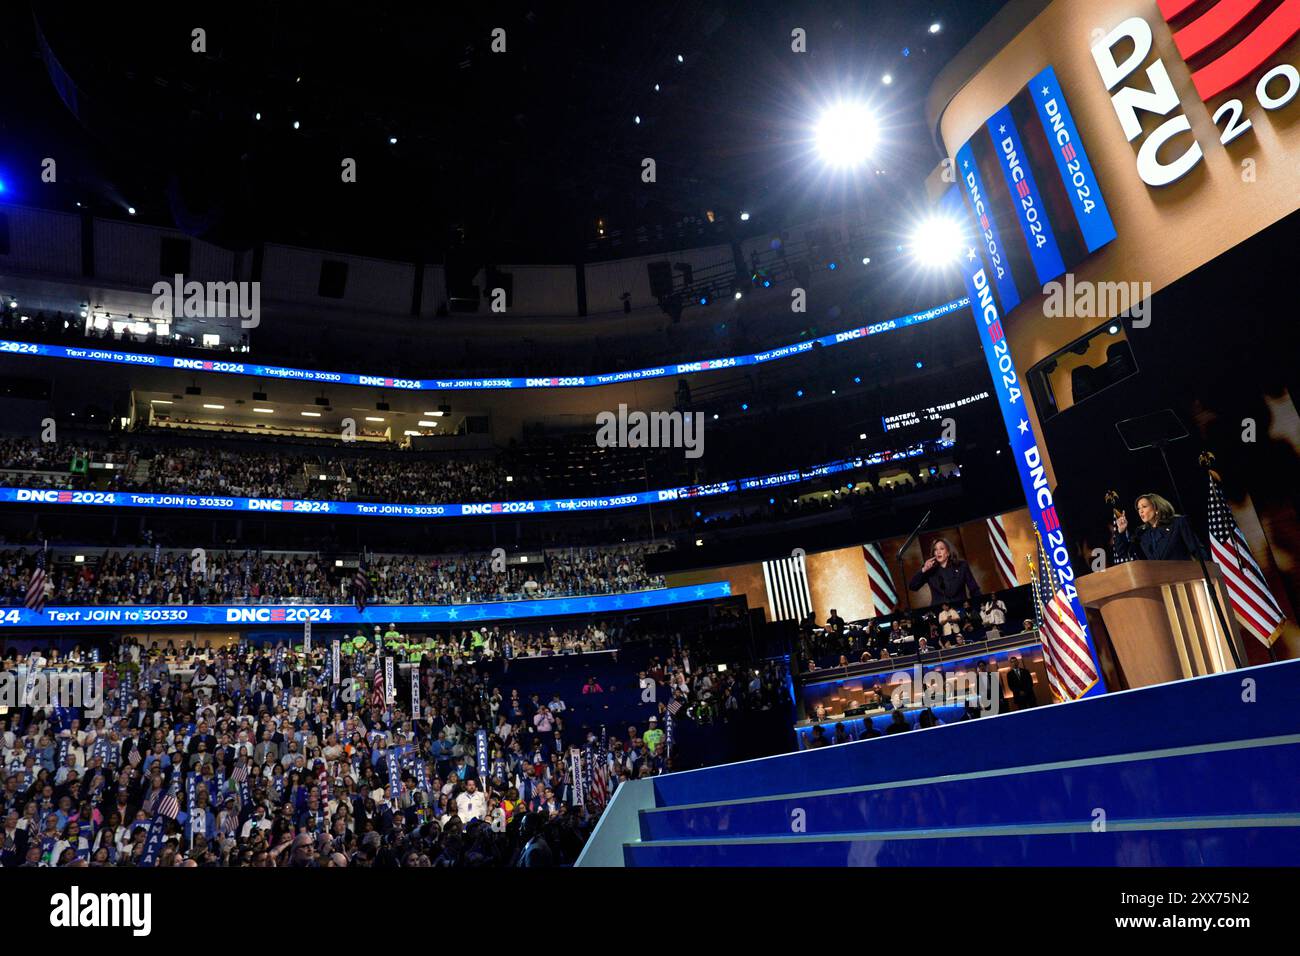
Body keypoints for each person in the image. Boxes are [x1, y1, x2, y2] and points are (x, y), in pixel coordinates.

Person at [1113, 493, 1209, 562]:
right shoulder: (1141, 532)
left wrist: (1207, 570)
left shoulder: (1178, 523)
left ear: (1156, 508)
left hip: (1184, 577)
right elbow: (1125, 553)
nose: (1140, 511)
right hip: (1158, 582)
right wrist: (1121, 531)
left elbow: (1197, 549)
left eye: (1144, 506)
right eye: (1138, 508)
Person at [908, 539, 981, 606]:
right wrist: (923, 570)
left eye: (942, 549)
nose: (938, 552)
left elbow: (974, 590)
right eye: (935, 550)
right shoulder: (929, 569)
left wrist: (978, 607)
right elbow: (913, 586)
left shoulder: (961, 566)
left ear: (948, 552)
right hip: (940, 612)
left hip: (961, 608)